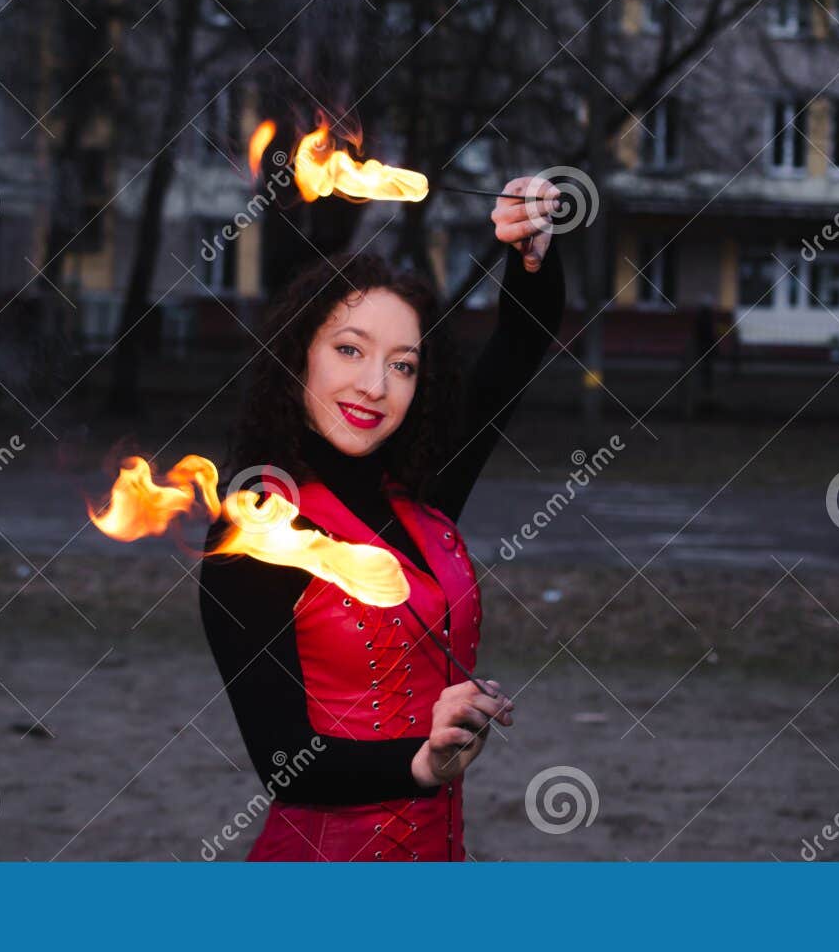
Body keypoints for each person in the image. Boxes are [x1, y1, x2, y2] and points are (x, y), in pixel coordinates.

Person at [198, 177, 565, 861]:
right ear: (297, 355)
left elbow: (521, 342)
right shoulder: (256, 531)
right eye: (349, 350)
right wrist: (422, 762)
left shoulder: (420, 496)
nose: (375, 385)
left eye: (403, 364)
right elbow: (284, 760)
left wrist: (532, 250)